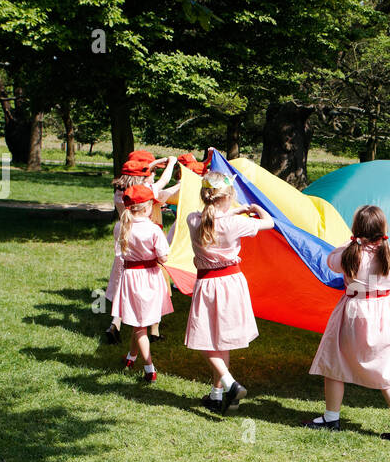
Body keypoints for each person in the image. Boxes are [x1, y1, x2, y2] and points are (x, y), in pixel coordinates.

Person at [307, 205, 390, 441]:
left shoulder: (349, 255)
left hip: (355, 310)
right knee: (387, 371)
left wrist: (350, 243)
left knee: (336, 362)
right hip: (382, 312)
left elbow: (330, 260)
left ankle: (331, 416)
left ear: (356, 230)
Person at [184, 171, 274, 414]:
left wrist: (232, 211)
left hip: (208, 284)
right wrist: (254, 207)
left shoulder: (193, 219)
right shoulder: (236, 224)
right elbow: (270, 223)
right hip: (231, 283)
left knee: (207, 338)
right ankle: (225, 388)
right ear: (229, 196)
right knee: (219, 339)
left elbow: (212, 219)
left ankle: (224, 387)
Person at [113, 184, 173, 383]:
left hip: (131, 277)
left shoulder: (122, 226)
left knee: (139, 322)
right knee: (141, 324)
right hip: (150, 278)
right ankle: (150, 368)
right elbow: (163, 257)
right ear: (148, 208)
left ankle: (131, 357)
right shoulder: (153, 229)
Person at [103, 151, 159, 344]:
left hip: (125, 248)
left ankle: (115, 324)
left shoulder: (120, 194)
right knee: (150, 291)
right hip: (142, 252)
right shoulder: (144, 192)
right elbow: (160, 183)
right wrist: (168, 163)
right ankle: (152, 330)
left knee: (122, 290)